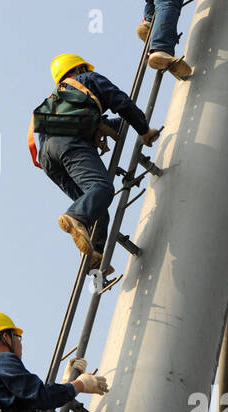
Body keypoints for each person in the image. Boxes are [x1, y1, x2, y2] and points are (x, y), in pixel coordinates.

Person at [29, 53, 160, 265]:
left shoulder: (55, 100)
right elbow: (121, 102)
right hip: (70, 144)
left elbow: (82, 122)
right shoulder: (87, 79)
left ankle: (94, 257)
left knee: (95, 204)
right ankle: (76, 217)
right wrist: (143, 129)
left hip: (48, 157)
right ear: (80, 68)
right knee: (102, 189)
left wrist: (107, 125)